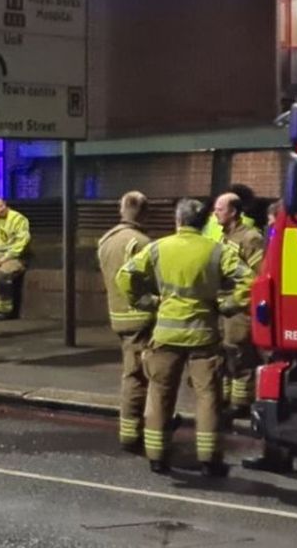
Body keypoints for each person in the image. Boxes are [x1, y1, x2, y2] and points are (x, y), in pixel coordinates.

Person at [116, 198, 254, 476]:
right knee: (208, 397)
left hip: (166, 334)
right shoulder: (217, 250)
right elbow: (250, 280)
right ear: (205, 223)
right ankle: (209, 459)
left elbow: (124, 276)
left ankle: (157, 456)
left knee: (160, 394)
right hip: (204, 336)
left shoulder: (158, 248)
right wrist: (229, 305)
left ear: (177, 220)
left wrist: (146, 302)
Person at [97, 191, 154, 453]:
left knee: (134, 371)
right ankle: (132, 432)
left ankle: (138, 427)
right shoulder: (141, 242)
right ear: (143, 212)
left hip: (117, 313)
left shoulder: (106, 240)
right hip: (141, 316)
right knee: (137, 376)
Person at [214, 192, 265, 415]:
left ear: (233, 211)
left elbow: (257, 276)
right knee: (225, 355)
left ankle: (241, 404)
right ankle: (225, 399)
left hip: (239, 309)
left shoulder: (250, 238)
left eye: (220, 208)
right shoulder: (225, 237)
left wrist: (237, 301)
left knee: (240, 355)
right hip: (224, 307)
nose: (215, 212)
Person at [0, 198, 31, 319]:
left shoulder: (18, 219)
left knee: (0, 275)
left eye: (1, 206)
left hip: (17, 256)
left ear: (5, 204)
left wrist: (5, 259)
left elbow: (21, 243)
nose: (0, 210)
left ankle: (6, 308)